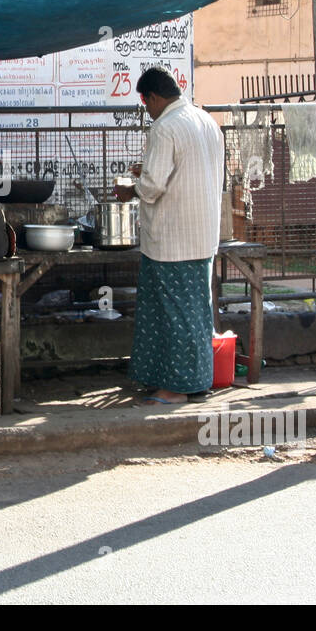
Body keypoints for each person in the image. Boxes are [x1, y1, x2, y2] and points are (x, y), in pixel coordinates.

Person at [115, 67, 225, 404]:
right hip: (202, 235)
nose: (147, 110)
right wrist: (145, 171)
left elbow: (152, 187)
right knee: (195, 310)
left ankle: (176, 388)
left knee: (174, 313)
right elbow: (184, 170)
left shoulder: (164, 127)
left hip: (173, 239)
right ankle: (191, 380)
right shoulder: (205, 121)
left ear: (153, 97)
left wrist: (130, 188)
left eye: (145, 103)